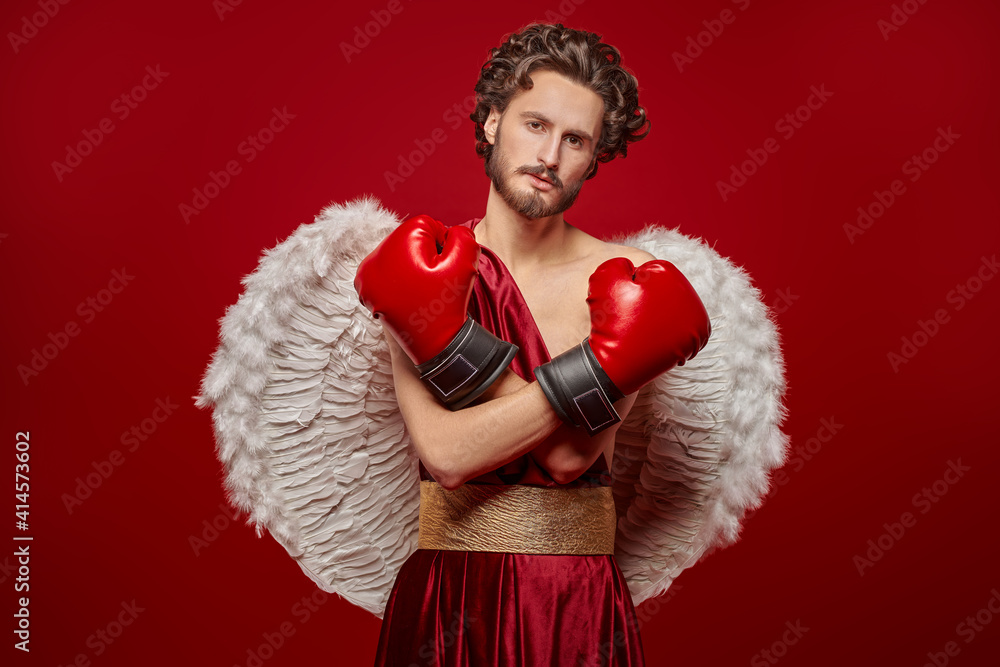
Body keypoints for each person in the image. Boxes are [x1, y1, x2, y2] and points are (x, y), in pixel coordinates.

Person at [358, 23, 712, 666]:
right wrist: (594, 370)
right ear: (493, 122)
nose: (550, 154)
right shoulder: (421, 269)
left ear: (594, 155)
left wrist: (453, 350)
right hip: (447, 599)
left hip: (572, 603)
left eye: (575, 139)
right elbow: (447, 454)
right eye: (534, 124)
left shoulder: (624, 282)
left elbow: (573, 459)